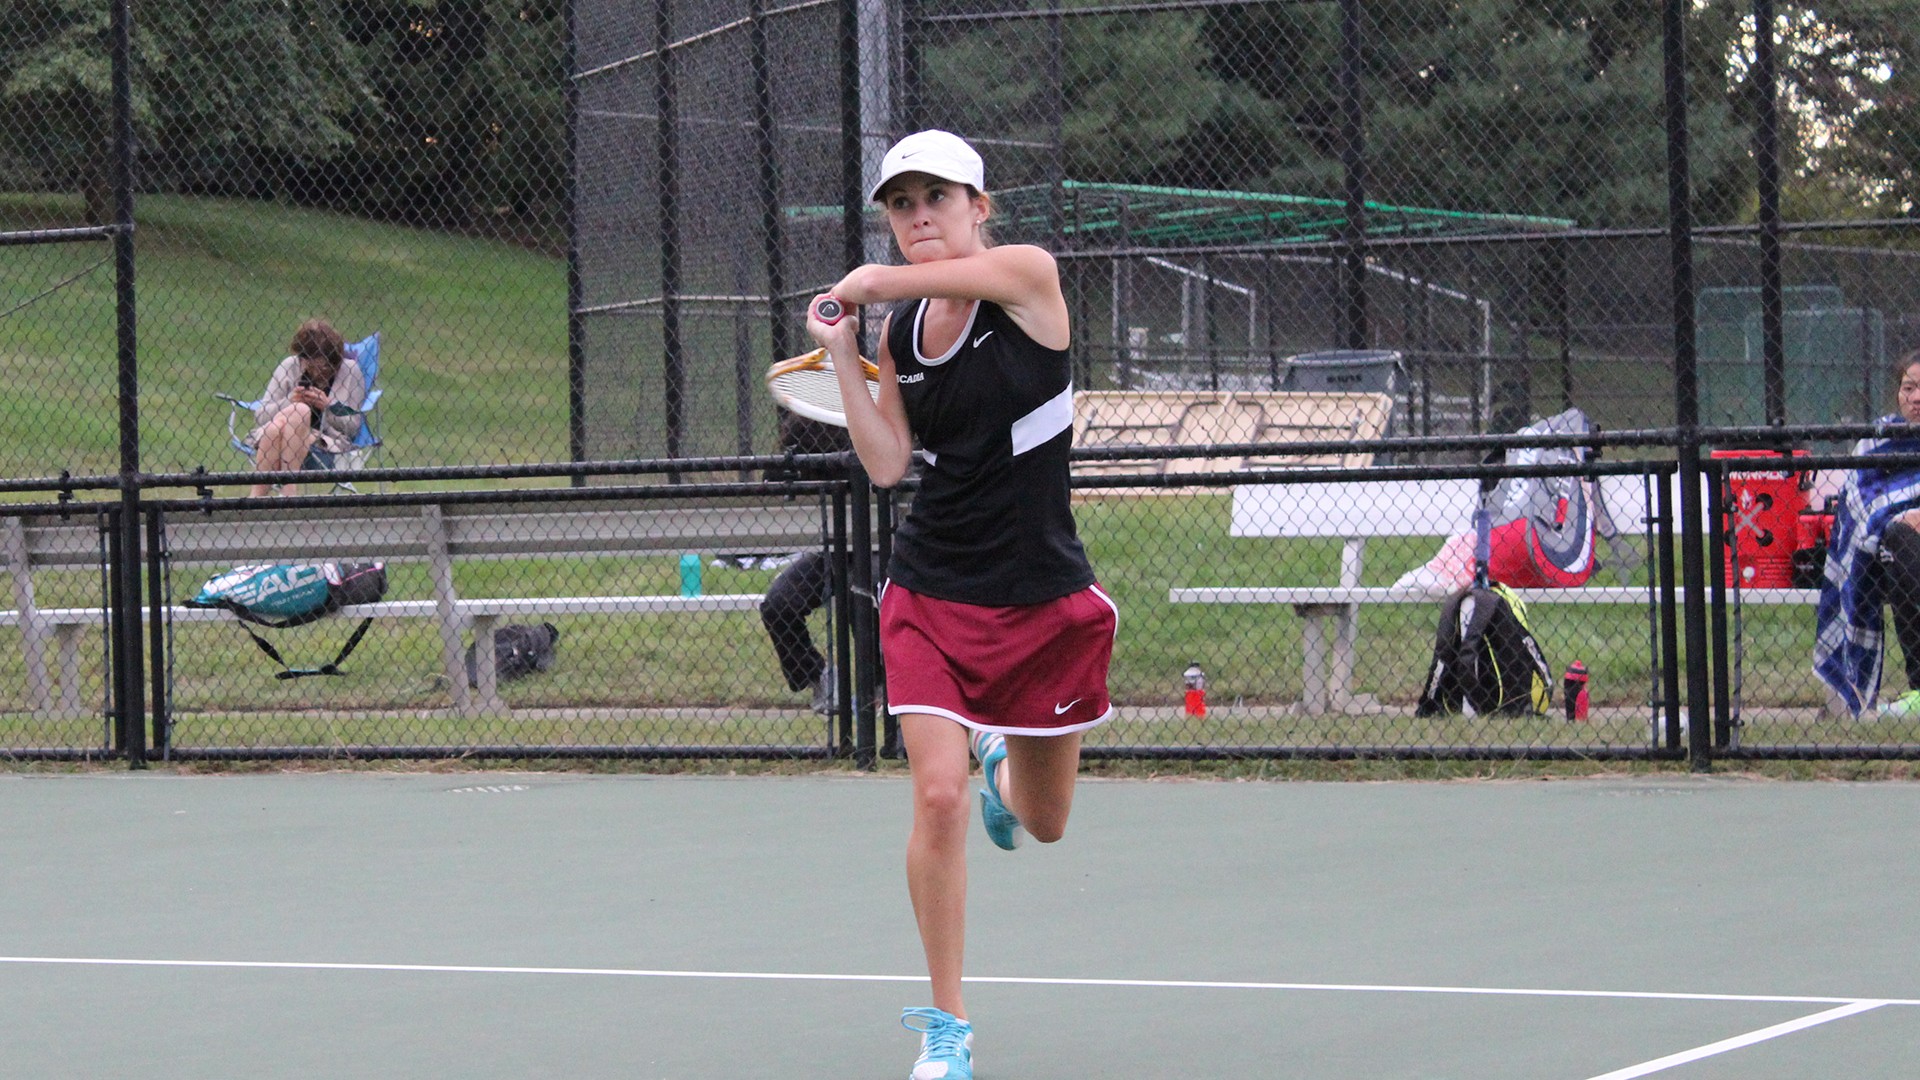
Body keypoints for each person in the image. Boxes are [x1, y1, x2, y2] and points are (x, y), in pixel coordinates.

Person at [805, 129, 1117, 1080]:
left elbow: (911, 276)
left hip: (1043, 600)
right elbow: (890, 461)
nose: (919, 218)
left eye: (937, 198)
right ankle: (950, 1026)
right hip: (931, 588)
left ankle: (1004, 774)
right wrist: (844, 357)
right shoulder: (896, 331)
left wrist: (863, 281)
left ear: (980, 206)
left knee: (1047, 821)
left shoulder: (1028, 280)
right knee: (932, 797)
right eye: (902, 204)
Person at [1816, 350, 1920, 717]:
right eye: (1909, 387)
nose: (1916, 397)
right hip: (1887, 554)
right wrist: (1895, 519)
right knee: (1896, 539)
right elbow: (1858, 505)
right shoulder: (1879, 440)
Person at [244, 318, 368, 497]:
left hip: (324, 441)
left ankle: (257, 498)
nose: (323, 373)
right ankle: (288, 492)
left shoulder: (351, 372)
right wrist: (289, 401)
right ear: (303, 359)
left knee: (284, 423)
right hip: (278, 436)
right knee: (289, 418)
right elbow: (261, 416)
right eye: (315, 367)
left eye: (329, 367)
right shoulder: (288, 367)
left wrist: (328, 407)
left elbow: (353, 426)